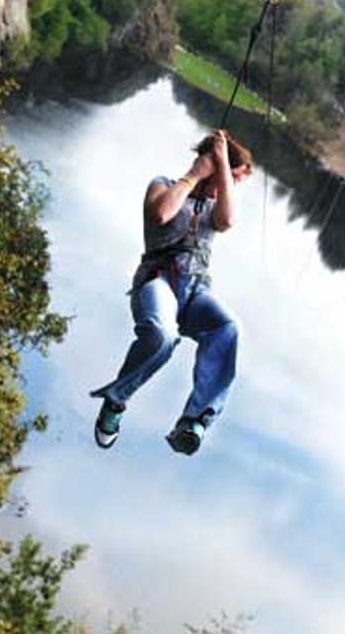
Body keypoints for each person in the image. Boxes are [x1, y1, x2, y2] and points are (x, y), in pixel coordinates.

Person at [90, 129, 253, 455]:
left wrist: (222, 168)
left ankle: (195, 419)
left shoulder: (218, 205)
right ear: (214, 166)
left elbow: (227, 221)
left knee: (227, 327)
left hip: (194, 291)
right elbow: (161, 213)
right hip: (157, 281)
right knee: (163, 336)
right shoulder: (164, 185)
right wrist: (197, 173)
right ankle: (116, 399)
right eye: (234, 177)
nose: (234, 185)